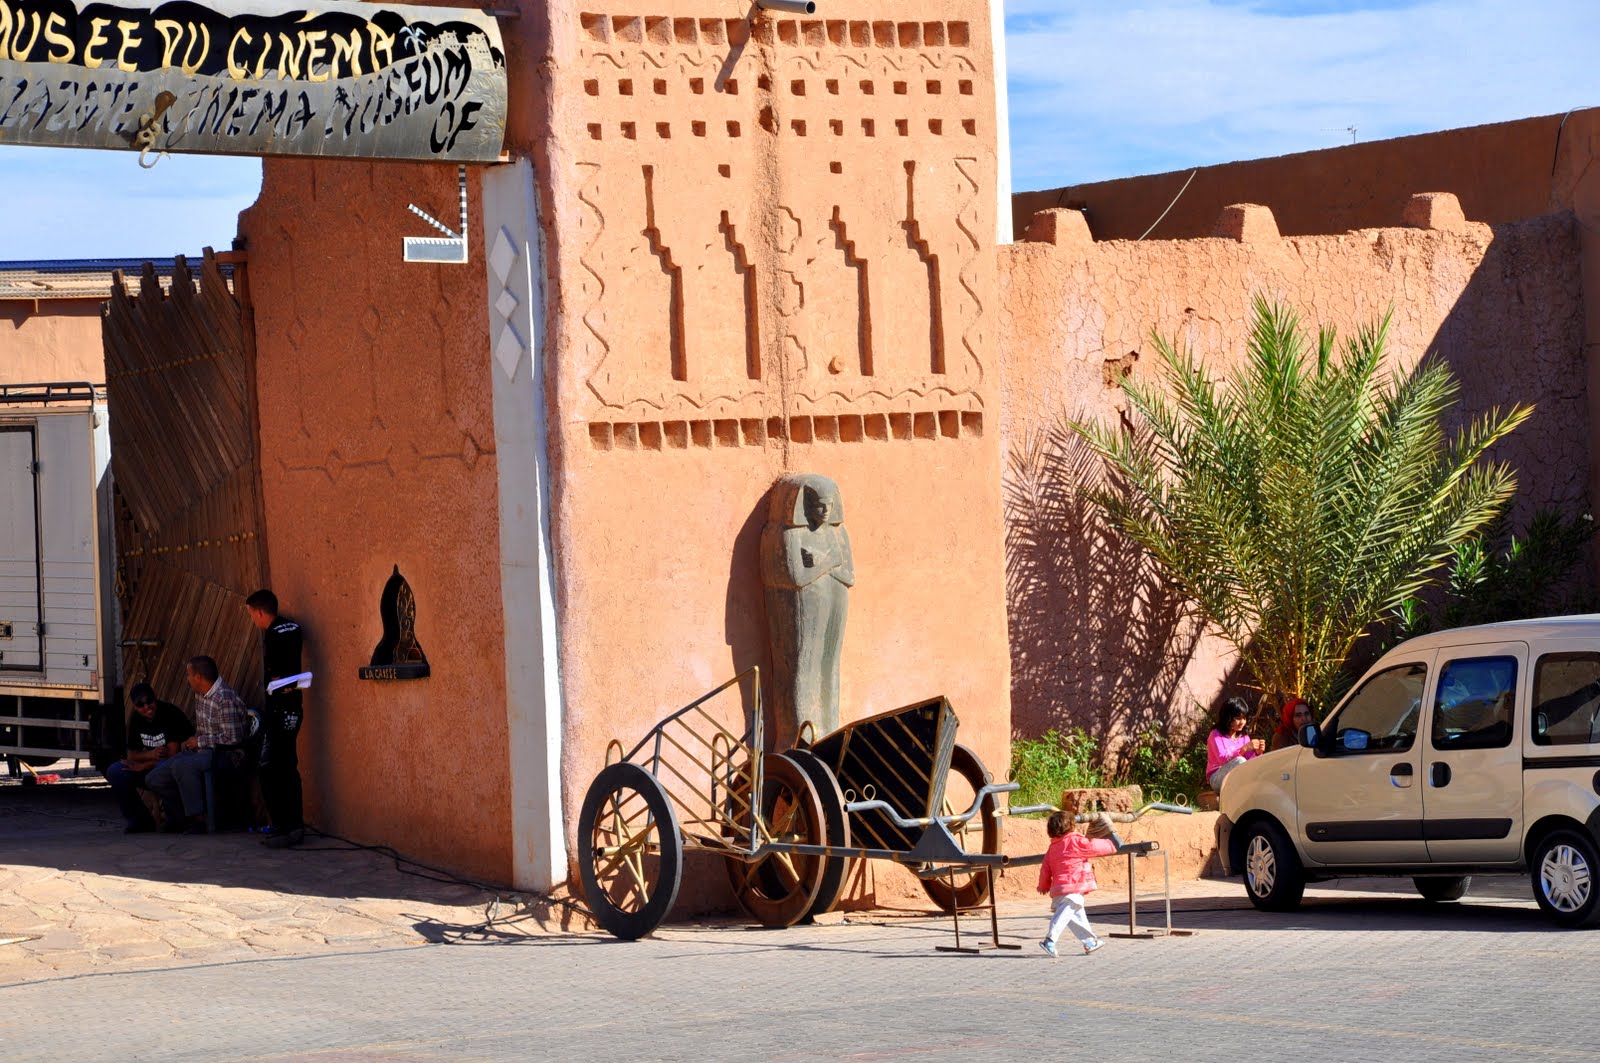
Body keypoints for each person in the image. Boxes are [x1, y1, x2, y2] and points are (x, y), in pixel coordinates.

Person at [146, 657, 251, 834]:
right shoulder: (200, 694)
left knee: (182, 766)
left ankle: (198, 819)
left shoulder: (224, 698)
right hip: (203, 751)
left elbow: (233, 738)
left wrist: (200, 742)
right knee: (155, 778)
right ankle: (180, 817)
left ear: (198, 677)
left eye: (189, 675)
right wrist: (192, 741)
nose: (187, 679)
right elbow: (203, 730)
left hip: (226, 754)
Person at [247, 588, 306, 848]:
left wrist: (279, 684)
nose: (253, 620)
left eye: (252, 615)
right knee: (287, 767)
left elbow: (279, 677)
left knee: (271, 768)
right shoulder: (293, 628)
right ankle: (292, 826)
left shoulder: (273, 635)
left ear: (260, 612)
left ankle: (285, 827)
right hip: (294, 709)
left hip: (280, 710)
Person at [105, 682, 194, 833]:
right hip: (151, 765)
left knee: (161, 769)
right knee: (115, 771)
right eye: (140, 704)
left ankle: (176, 819)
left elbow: (173, 755)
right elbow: (132, 754)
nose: (147, 707)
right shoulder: (136, 719)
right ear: (135, 706)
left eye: (149, 701)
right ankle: (139, 820)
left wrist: (144, 765)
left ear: (155, 698)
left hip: (173, 767)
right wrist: (150, 754)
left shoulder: (170, 714)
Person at [1036, 810, 1121, 957]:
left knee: (1077, 917)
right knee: (1064, 915)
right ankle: (1050, 940)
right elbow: (1092, 847)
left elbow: (1045, 869)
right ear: (1071, 825)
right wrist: (1111, 843)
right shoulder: (1075, 840)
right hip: (1073, 886)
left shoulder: (1052, 847)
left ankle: (1090, 942)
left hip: (1059, 888)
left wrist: (1043, 886)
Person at [1206, 698, 1264, 793]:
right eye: (1238, 718)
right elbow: (1222, 759)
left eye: (1244, 718)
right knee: (1240, 761)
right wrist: (1244, 748)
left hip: (1237, 777)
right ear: (1227, 717)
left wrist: (1257, 753)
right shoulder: (1215, 735)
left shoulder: (1244, 737)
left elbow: (1249, 763)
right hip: (1217, 778)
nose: (1242, 722)